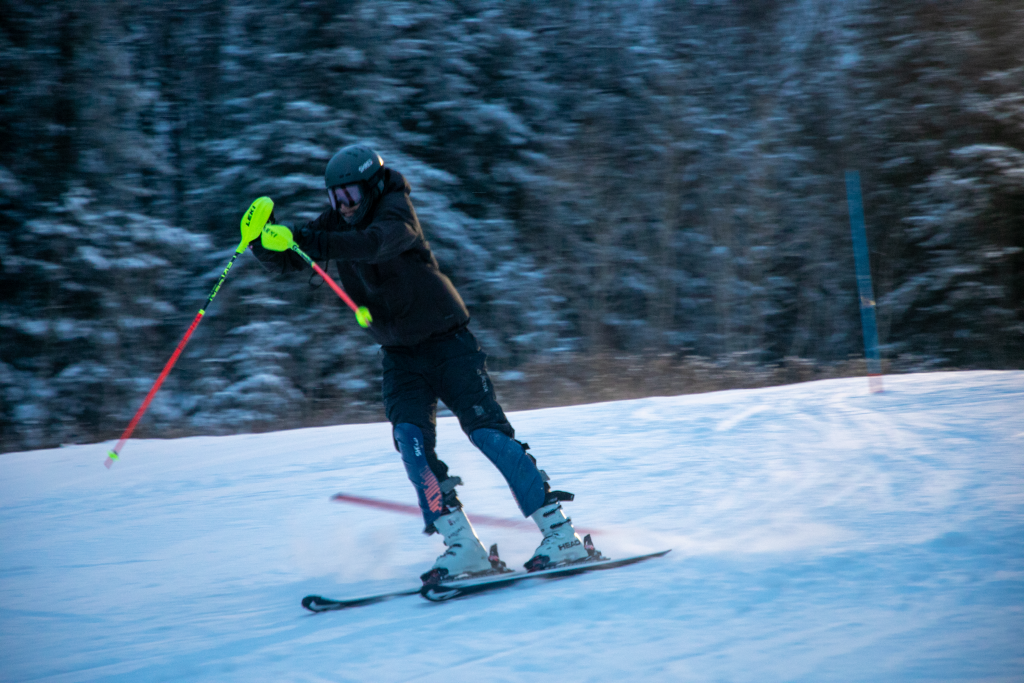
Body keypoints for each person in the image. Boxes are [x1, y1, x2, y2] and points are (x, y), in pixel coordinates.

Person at [249, 144, 598, 584]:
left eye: (352, 195)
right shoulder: (338, 222)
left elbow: (375, 245)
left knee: (488, 435)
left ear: (373, 187)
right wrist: (264, 242)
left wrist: (309, 239)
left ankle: (559, 532)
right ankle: (462, 545)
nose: (345, 206)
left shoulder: (396, 211)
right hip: (399, 355)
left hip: (447, 342)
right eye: (336, 198)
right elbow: (292, 260)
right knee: (410, 442)